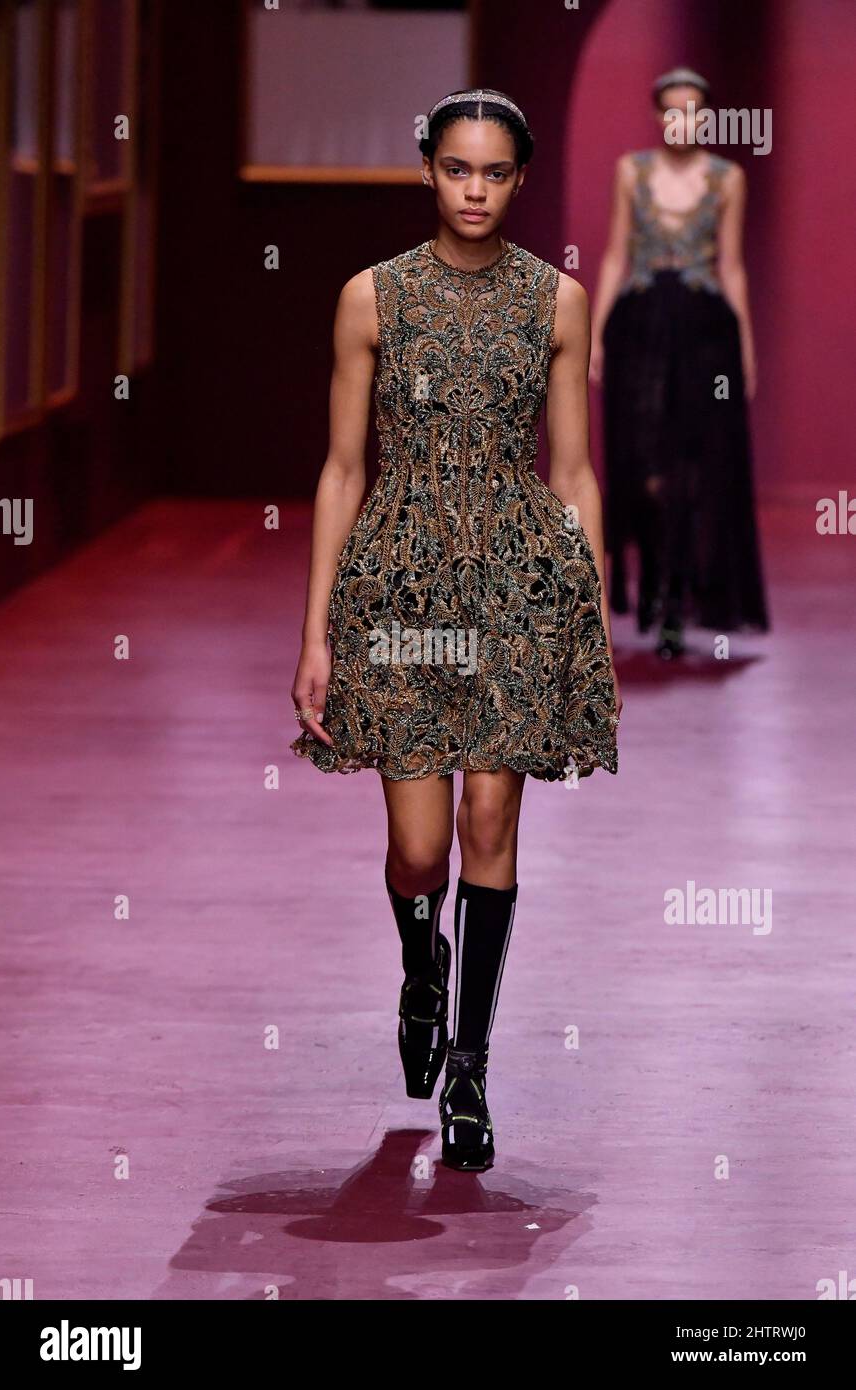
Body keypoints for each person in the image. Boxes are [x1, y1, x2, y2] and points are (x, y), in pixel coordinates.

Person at [289, 88, 620, 1172]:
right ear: (425, 169)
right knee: (417, 849)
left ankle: (469, 1067)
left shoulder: (555, 302)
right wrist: (316, 633)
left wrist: (591, 609)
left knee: (488, 822)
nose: (473, 189)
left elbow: (570, 469)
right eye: (455, 169)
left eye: (493, 172)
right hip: (398, 589)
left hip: (516, 583)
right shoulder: (368, 300)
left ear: (520, 179)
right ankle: (419, 965)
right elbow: (342, 469)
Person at [590, 66, 769, 658]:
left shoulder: (727, 178)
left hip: (702, 335)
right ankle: (644, 590)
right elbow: (617, 253)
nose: (681, 119)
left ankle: (673, 602)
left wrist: (744, 346)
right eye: (671, 109)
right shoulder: (631, 171)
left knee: (694, 469)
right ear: (657, 114)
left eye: (692, 109)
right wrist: (595, 335)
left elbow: (733, 266)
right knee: (639, 464)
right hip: (638, 330)